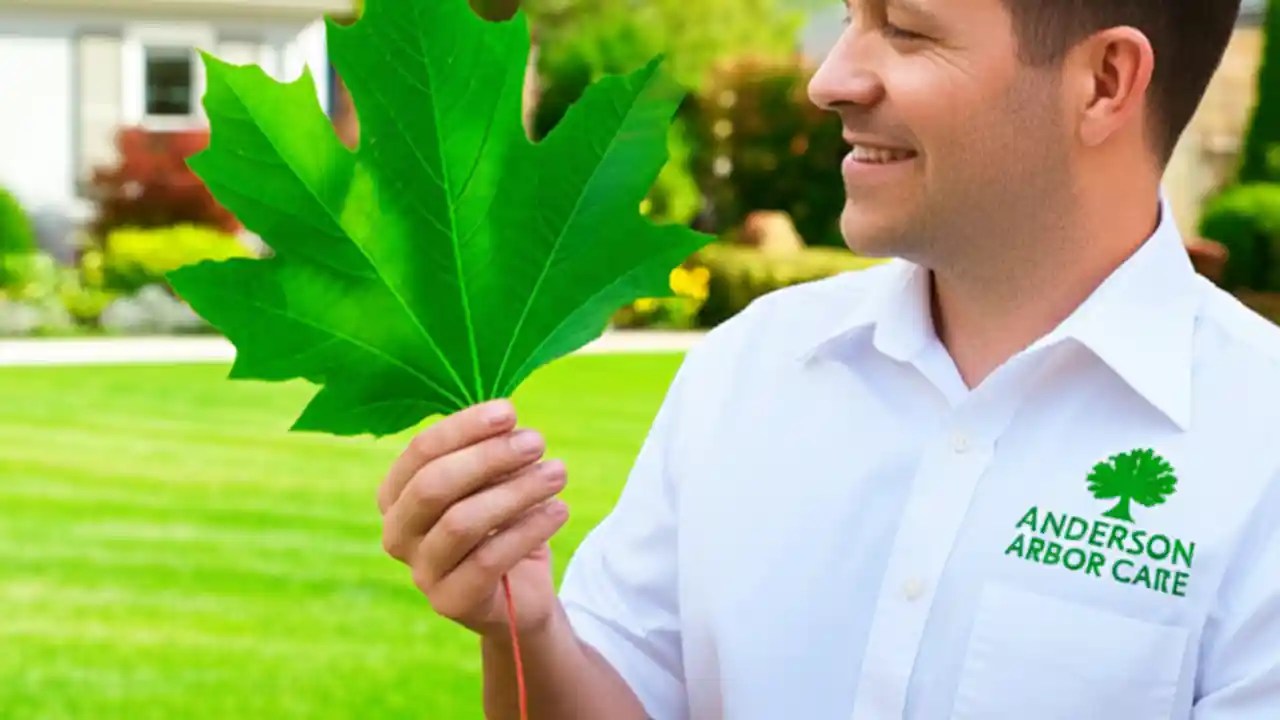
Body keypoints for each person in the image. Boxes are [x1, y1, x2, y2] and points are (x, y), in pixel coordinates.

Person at [376, 0, 1278, 716]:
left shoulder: (1261, 448)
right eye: (850, 17)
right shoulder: (750, 367)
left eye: (908, 30)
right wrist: (525, 629)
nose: (830, 78)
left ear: (1105, 82)